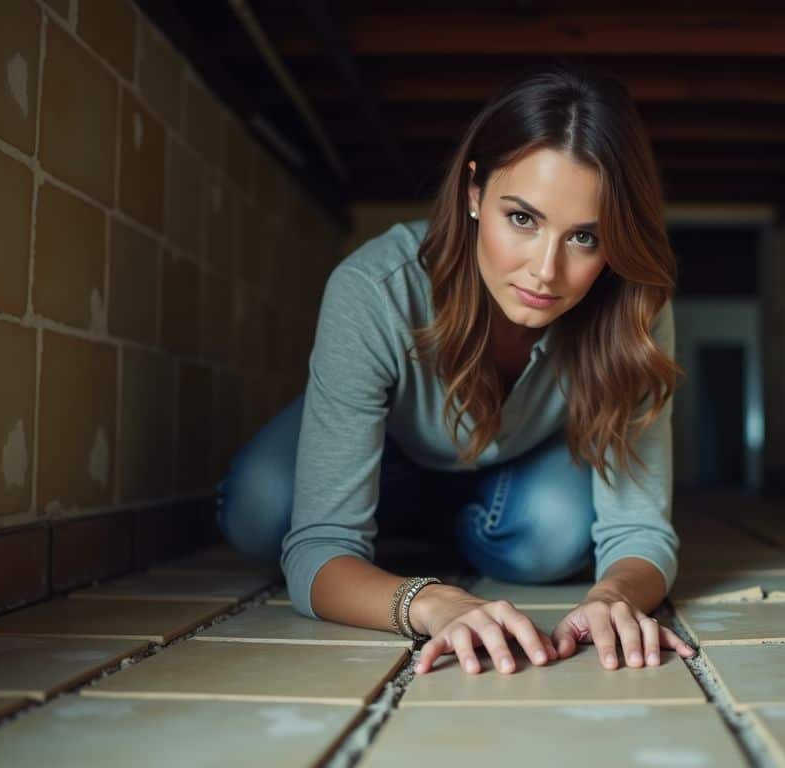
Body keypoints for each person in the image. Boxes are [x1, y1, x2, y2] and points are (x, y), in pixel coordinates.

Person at [216, 60, 695, 676]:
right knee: (260, 510)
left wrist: (613, 595)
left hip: (509, 478)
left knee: (554, 533)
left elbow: (640, 530)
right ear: (474, 194)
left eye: (585, 238)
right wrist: (431, 602)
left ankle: (444, 535)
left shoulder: (635, 305)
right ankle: (415, 547)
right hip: (384, 453)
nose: (545, 271)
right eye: (522, 218)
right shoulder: (373, 288)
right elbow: (318, 550)